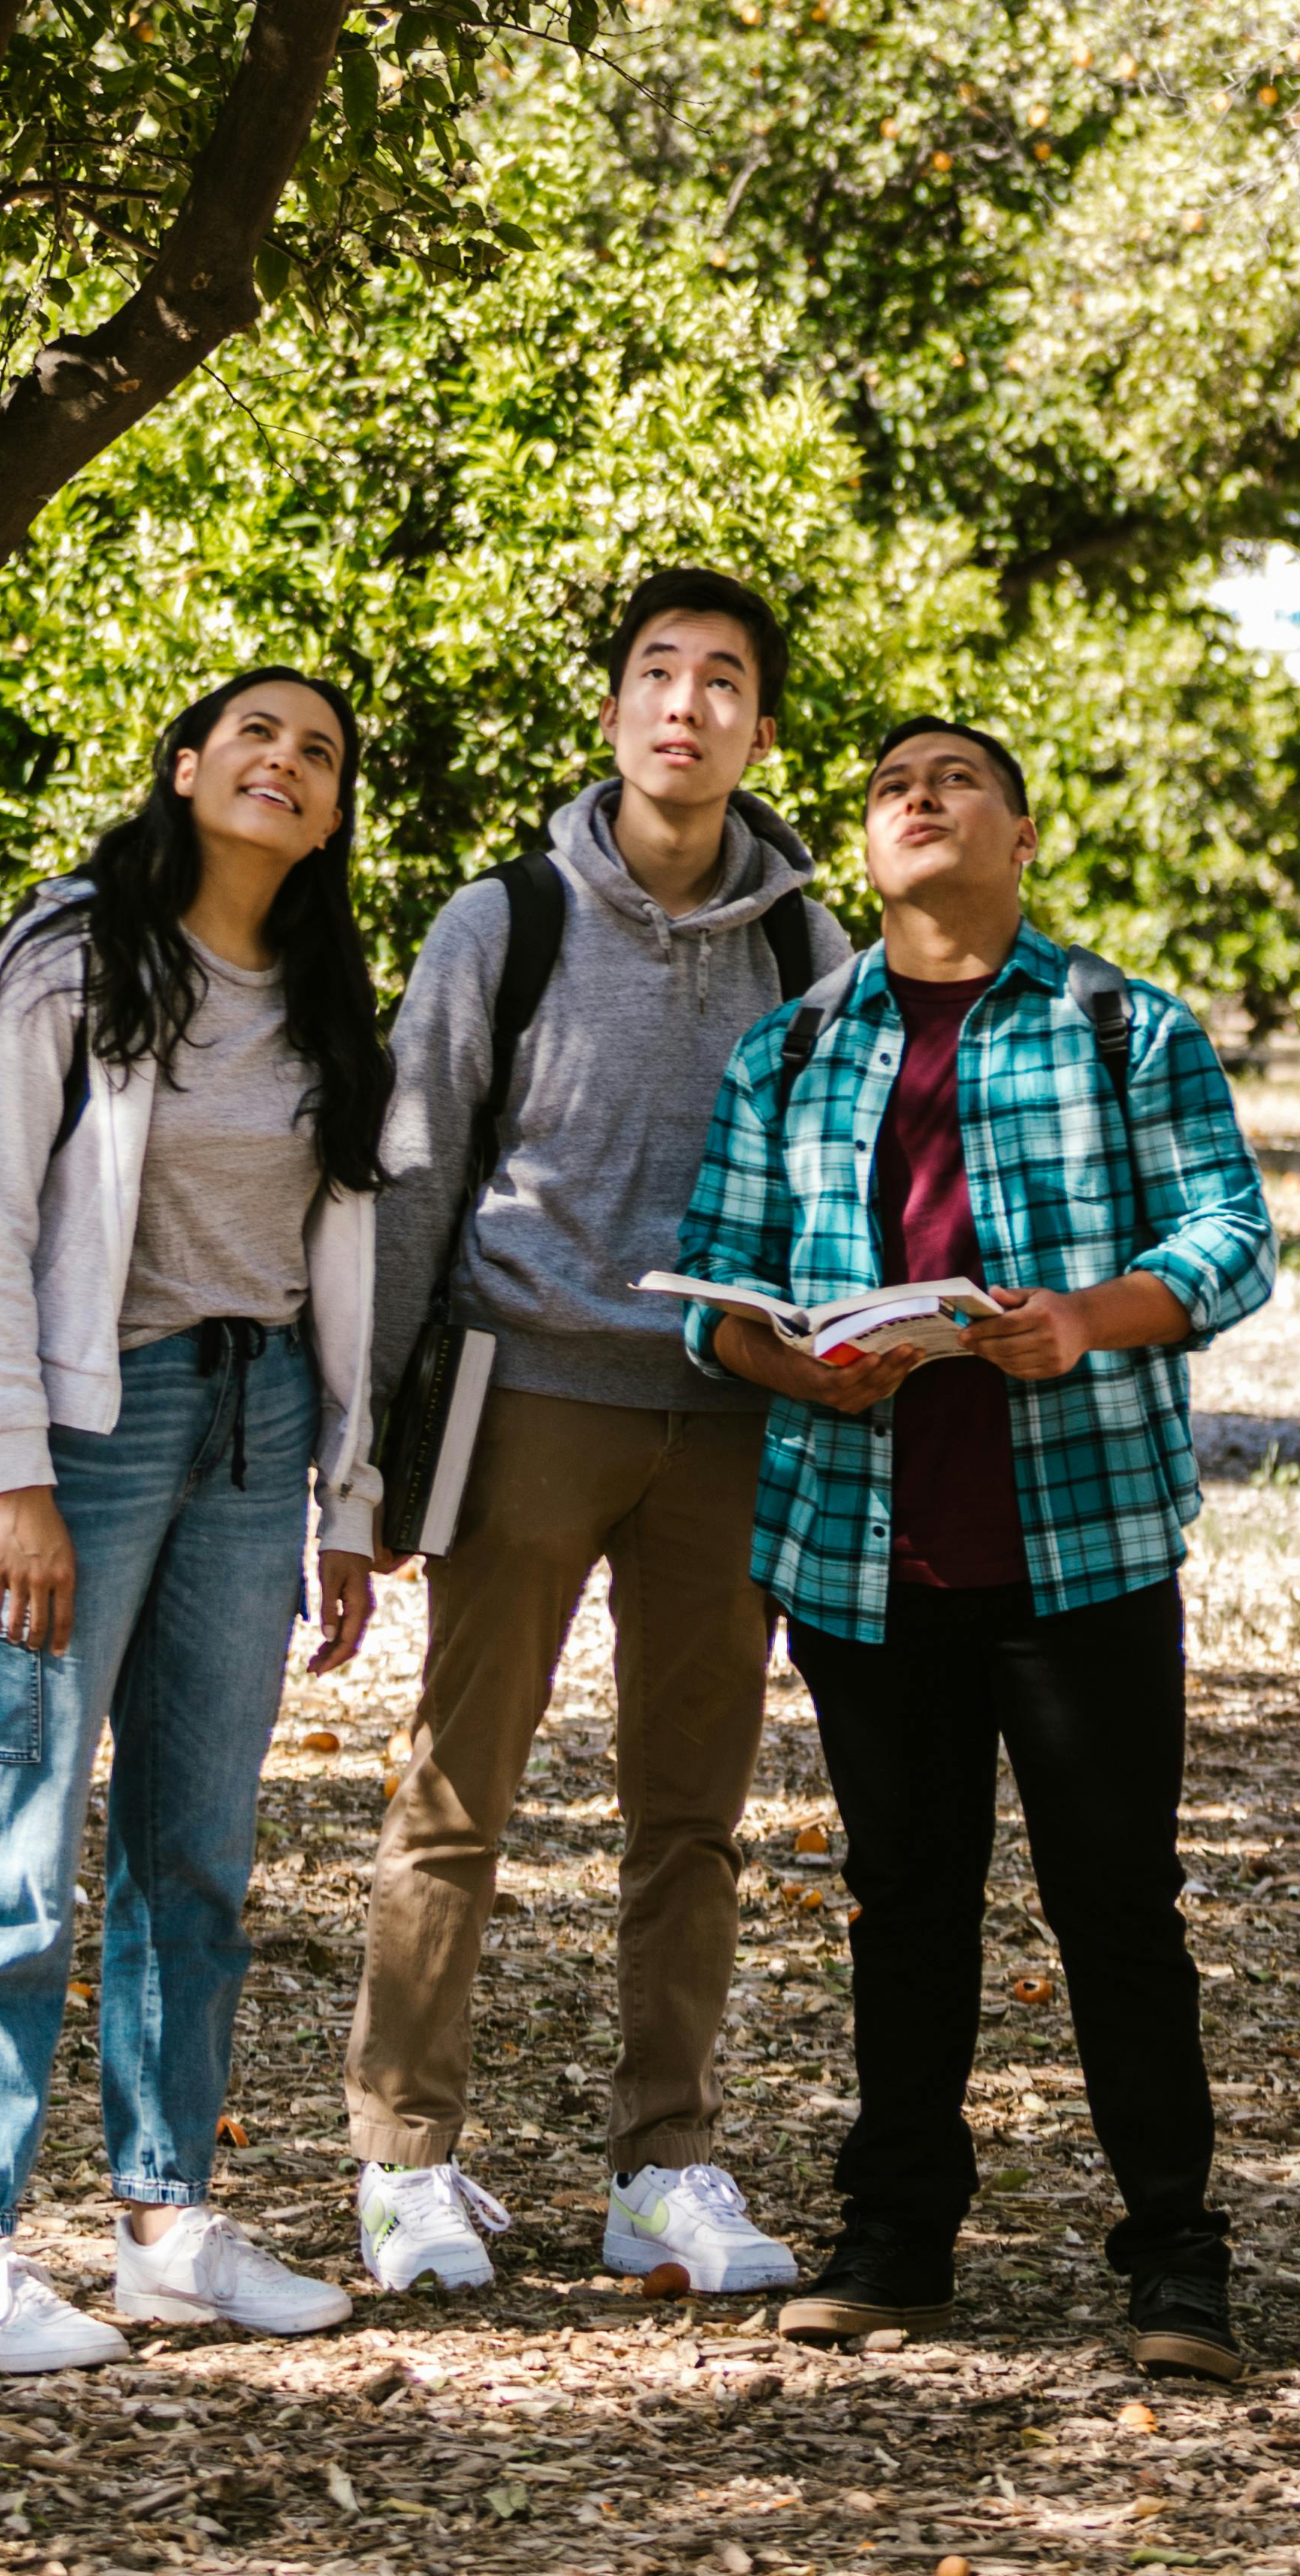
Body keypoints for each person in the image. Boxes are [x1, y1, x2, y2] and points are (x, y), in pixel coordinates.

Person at [675, 717, 1279, 2388]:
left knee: (1116, 1909)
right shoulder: (790, 1053)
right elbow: (712, 1284)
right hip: (863, 1558)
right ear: (866, 852)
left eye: (951, 784)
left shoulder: (1119, 1026)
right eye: (887, 791)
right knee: (903, 1905)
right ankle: (897, 2242)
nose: (915, 803)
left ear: (1021, 836)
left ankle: (1174, 2260)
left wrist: (1081, 1321)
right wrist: (778, 1357)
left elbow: (1230, 1237)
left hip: (1079, 1552)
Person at [345, 566, 851, 2300]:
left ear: (759, 729)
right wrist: (367, 1456)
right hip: (527, 1398)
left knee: (689, 1817)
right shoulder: (506, 921)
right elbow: (413, 1182)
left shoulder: (807, 944)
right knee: (453, 1794)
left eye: (723, 680)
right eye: (658, 672)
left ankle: (666, 2163)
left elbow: (836, 1188)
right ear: (615, 709)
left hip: (723, 1414)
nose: (686, 704)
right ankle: (404, 2164)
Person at [0, 666, 387, 2375]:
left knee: (198, 1845)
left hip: (259, 1436)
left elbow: (347, 1258)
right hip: (87, 1428)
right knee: (13, 1823)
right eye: (254, 733)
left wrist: (352, 1490)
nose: (284, 761)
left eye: (318, 753)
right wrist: (11, 1470)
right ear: (185, 769)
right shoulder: (73, 956)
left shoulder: (331, 996)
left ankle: (167, 2228)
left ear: (329, 814)